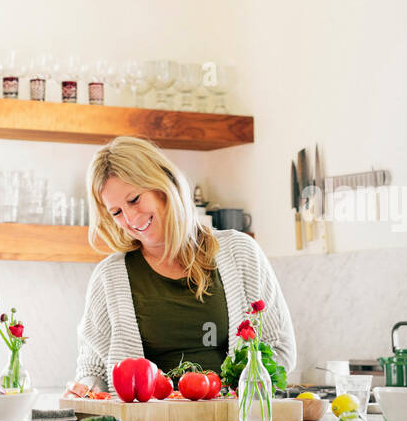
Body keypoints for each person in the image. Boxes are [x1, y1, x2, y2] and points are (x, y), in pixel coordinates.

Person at [64, 136, 295, 396]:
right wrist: (86, 388)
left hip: (233, 417)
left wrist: (237, 393)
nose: (129, 219)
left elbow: (279, 347)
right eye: (116, 212)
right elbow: (93, 368)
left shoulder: (240, 253)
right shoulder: (110, 276)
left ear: (163, 185)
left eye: (134, 199)